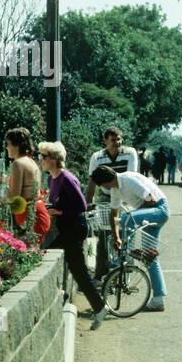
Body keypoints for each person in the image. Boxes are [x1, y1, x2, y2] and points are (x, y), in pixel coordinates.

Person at [38, 141, 107, 329]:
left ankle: (93, 304)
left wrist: (58, 212)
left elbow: (81, 206)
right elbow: (59, 203)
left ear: (54, 159)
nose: (40, 160)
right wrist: (50, 208)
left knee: (53, 257)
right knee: (78, 271)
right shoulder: (52, 178)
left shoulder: (66, 178)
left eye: (43, 156)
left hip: (75, 228)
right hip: (66, 227)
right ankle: (98, 306)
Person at [90, 166, 170, 312]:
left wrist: (134, 217)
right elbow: (113, 214)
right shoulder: (115, 189)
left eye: (101, 185)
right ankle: (158, 300)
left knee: (127, 217)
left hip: (160, 209)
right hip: (150, 213)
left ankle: (127, 253)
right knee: (149, 256)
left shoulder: (128, 179)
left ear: (105, 183)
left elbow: (151, 200)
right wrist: (117, 238)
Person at [86, 127, 139, 279]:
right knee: (103, 232)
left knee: (126, 230)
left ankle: (128, 264)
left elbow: (130, 177)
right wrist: (88, 203)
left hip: (126, 193)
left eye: (119, 139)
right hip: (105, 194)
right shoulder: (97, 157)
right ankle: (101, 272)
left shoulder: (130, 153)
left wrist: (119, 200)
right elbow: (92, 181)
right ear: (105, 141)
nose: (117, 143)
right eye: (113, 140)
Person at [5, 127, 50, 244]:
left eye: (8, 144)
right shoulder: (31, 161)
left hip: (31, 217)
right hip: (37, 214)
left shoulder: (18, 163)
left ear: (17, 145)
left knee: (22, 254)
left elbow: (15, 197)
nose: (6, 147)